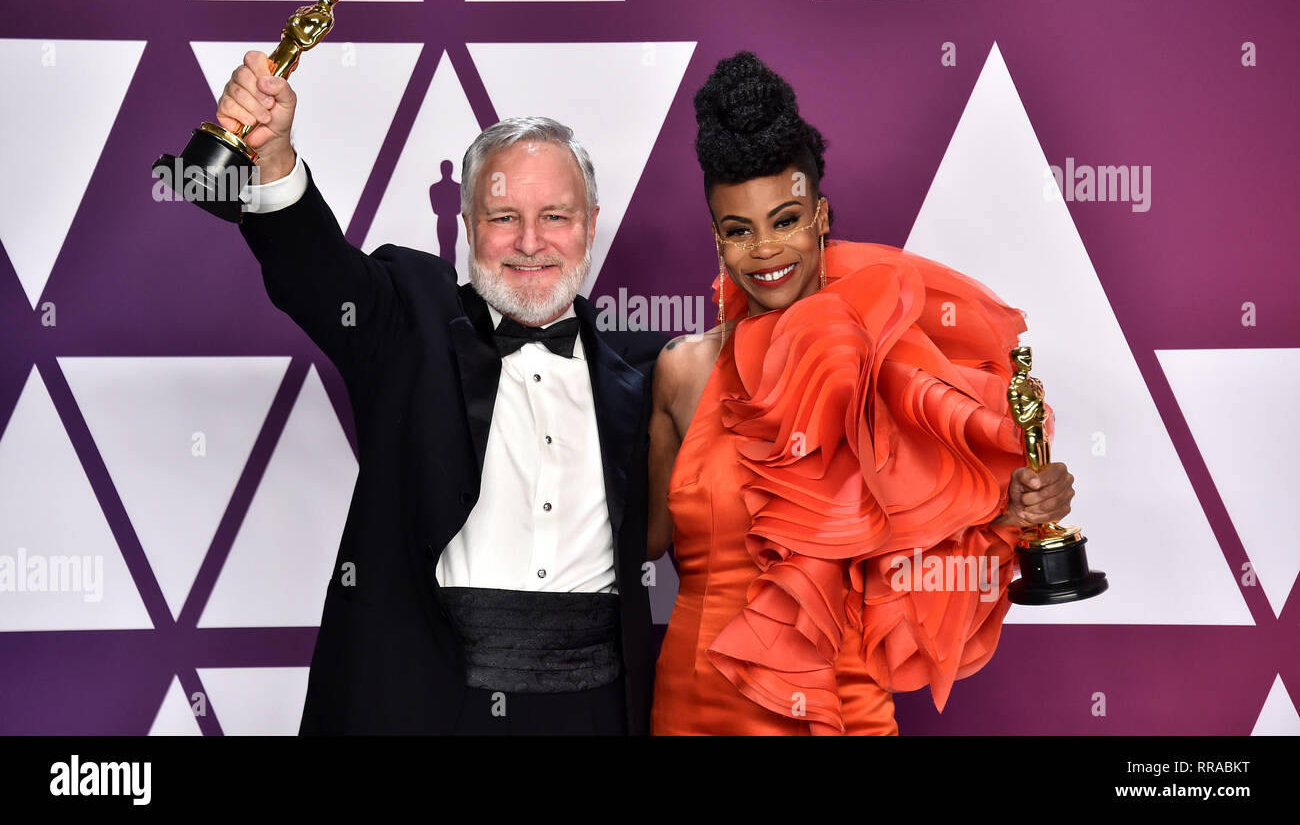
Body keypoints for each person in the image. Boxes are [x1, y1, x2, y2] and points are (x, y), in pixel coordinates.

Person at [216, 50, 666, 734]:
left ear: (591, 224)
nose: (530, 242)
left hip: (598, 710)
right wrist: (273, 159)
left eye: (555, 216)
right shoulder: (408, 318)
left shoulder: (653, 367)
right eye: (502, 216)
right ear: (463, 226)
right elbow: (316, 272)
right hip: (425, 703)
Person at [646, 52, 1077, 735]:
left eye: (784, 219)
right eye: (738, 230)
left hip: (844, 709)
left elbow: (946, 534)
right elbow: (642, 542)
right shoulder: (682, 370)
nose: (764, 249)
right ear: (717, 241)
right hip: (697, 703)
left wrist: (1021, 508)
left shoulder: (893, 367)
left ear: (820, 214)